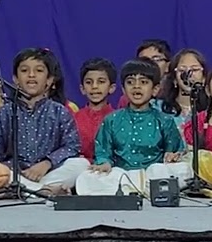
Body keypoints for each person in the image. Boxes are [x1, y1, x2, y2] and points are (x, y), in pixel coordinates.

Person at [0, 48, 87, 194]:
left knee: (81, 164)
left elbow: (72, 146)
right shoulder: (4, 112)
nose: (31, 75)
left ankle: (32, 191)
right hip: (16, 173)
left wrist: (47, 163)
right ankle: (44, 192)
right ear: (15, 79)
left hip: (49, 172)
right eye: (24, 70)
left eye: (39, 70)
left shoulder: (59, 111)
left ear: (49, 80)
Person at [76, 58, 185, 196]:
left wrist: (173, 157)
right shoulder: (112, 120)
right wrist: (105, 163)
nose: (136, 87)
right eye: (130, 82)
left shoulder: (165, 120)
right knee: (86, 177)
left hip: (152, 174)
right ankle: (141, 188)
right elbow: (103, 152)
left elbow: (174, 151)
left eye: (143, 82)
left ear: (155, 89)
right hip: (122, 174)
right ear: (123, 89)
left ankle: (130, 188)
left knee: (176, 170)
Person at [73, 57, 117, 161]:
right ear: (82, 89)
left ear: (111, 88)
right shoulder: (73, 119)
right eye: (89, 82)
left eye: (101, 82)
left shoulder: (118, 119)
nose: (94, 86)